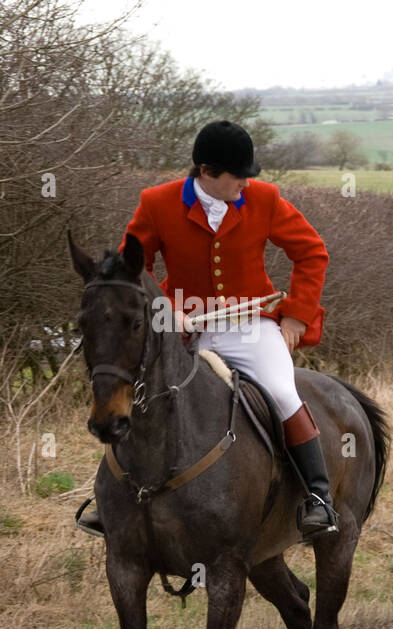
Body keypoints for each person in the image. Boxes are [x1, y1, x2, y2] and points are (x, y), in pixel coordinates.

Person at [77, 120, 336, 539]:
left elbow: (312, 252)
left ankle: (317, 497)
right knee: (141, 395)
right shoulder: (157, 203)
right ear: (208, 172)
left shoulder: (264, 199)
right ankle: (108, 500)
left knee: (282, 390)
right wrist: (167, 308)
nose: (247, 183)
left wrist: (296, 317)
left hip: (251, 327)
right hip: (185, 331)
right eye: (239, 175)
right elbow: (129, 270)